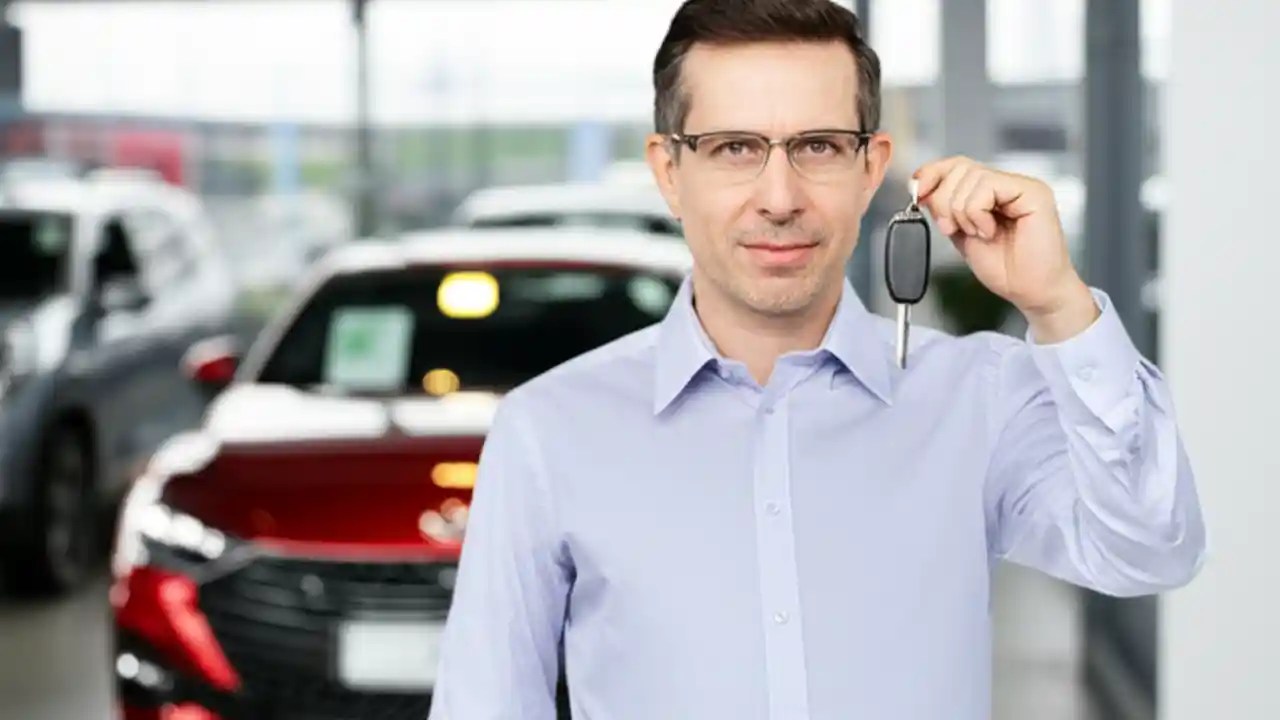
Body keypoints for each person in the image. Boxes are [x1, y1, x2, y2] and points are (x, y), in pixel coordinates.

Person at [428, 1, 1206, 718]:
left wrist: (1060, 303)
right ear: (669, 170)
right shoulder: (550, 431)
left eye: (819, 146)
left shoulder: (981, 397)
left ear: (873, 167)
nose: (779, 196)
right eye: (735, 147)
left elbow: (1151, 548)